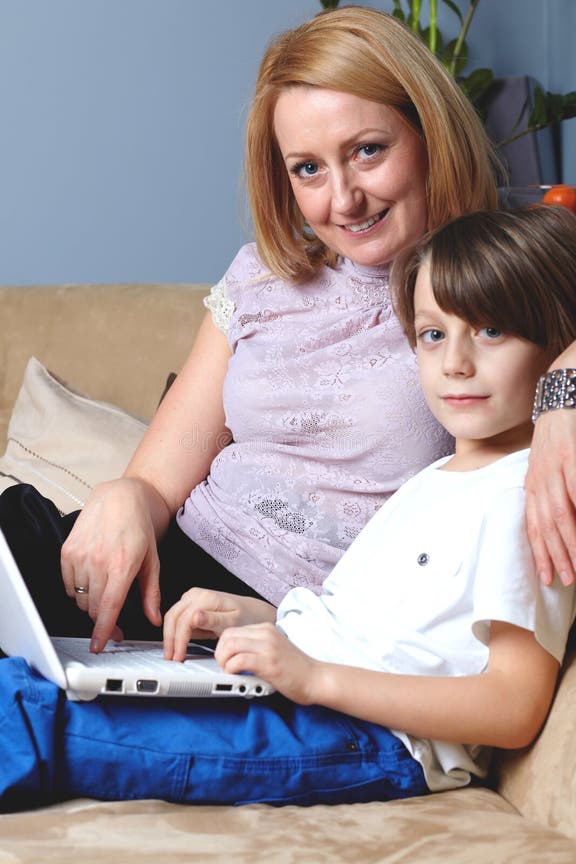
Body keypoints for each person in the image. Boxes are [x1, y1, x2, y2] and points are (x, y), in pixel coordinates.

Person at [2, 205, 576, 809]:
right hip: (312, 694)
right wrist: (256, 619)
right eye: (433, 335)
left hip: (372, 739)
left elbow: (515, 706)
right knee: (28, 679)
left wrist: (315, 678)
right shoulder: (437, 480)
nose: (456, 362)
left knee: (32, 717)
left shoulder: (524, 498)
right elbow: (361, 630)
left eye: (491, 331)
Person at [0, 5, 504, 654]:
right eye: (308, 169)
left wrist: (565, 396)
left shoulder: (491, 288)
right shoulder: (260, 277)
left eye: (368, 151)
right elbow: (158, 479)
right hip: (163, 570)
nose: (343, 198)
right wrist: (125, 494)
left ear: (430, 132)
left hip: (268, 622)